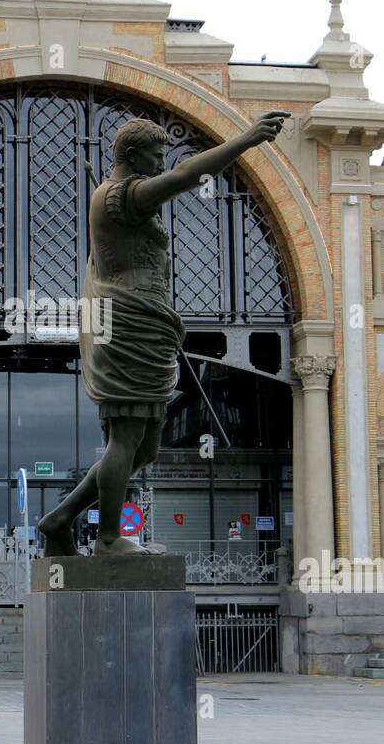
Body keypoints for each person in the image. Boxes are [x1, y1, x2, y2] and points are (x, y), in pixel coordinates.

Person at [38, 108, 289, 557]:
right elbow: (186, 176)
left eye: (163, 156)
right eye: (155, 156)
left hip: (148, 320)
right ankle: (109, 537)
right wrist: (246, 140)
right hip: (130, 323)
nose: (161, 163)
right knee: (126, 437)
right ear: (132, 156)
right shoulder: (121, 196)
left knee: (146, 447)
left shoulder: (116, 193)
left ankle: (59, 519)